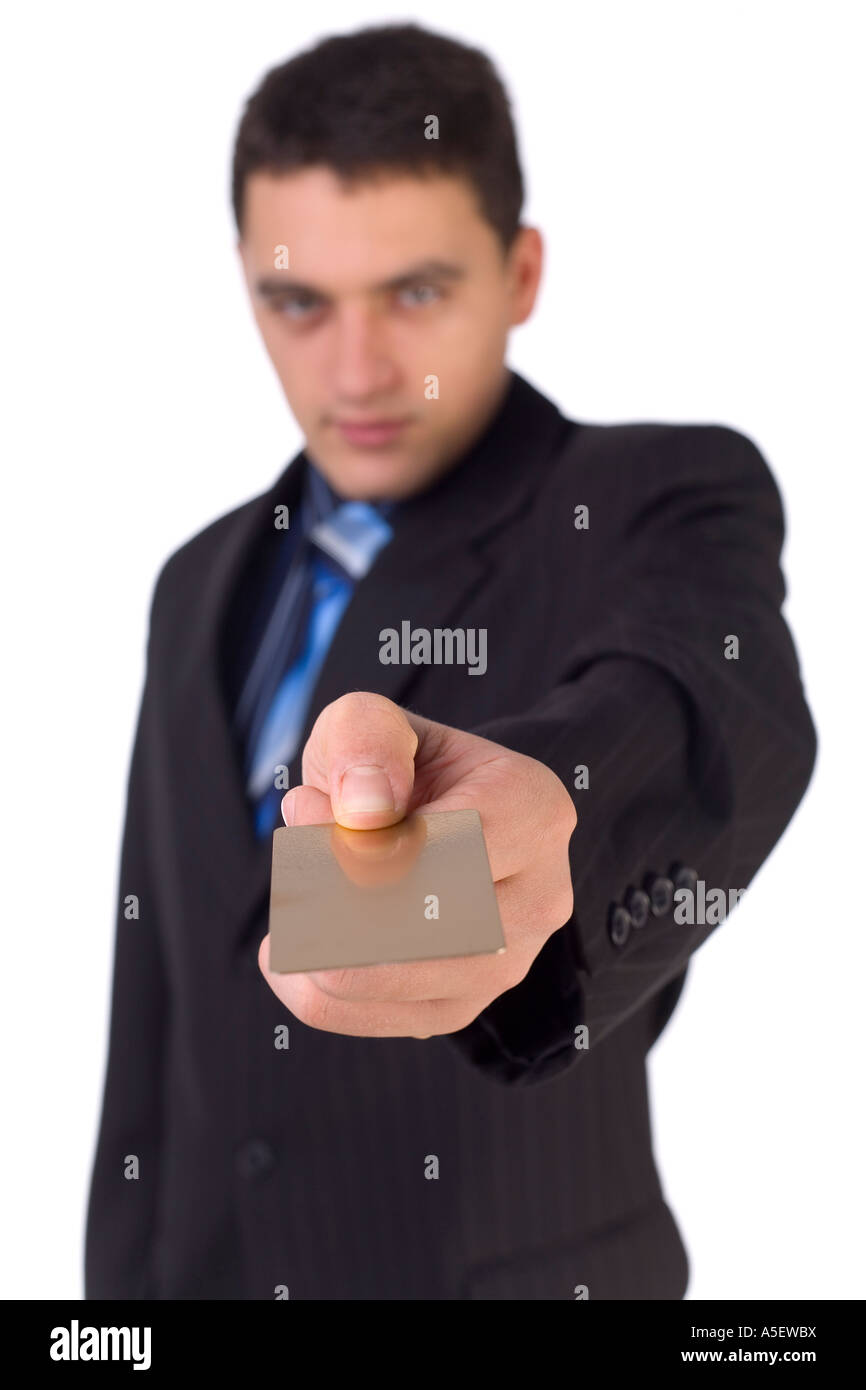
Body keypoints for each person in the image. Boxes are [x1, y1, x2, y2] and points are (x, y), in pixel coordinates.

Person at [84, 21, 816, 1300]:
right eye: (298, 301)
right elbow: (156, 1022)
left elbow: (709, 683)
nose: (355, 369)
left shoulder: (654, 493)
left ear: (520, 272)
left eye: (415, 291)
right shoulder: (196, 580)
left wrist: (556, 798)